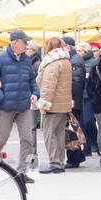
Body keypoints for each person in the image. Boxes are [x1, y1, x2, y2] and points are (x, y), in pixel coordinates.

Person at [0, 29, 38, 182]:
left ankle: (22, 172)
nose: (27, 45)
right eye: (25, 42)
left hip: (23, 106)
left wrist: (35, 92)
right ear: (15, 43)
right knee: (1, 139)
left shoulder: (26, 59)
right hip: (5, 107)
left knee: (28, 139)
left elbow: (32, 79)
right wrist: (0, 97)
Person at [35, 37, 74, 174]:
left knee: (49, 133)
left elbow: (48, 85)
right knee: (59, 134)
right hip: (64, 103)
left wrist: (43, 104)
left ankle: (55, 162)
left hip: (52, 103)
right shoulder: (66, 61)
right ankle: (60, 162)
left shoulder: (52, 62)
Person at [63, 37, 88, 168]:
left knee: (72, 131)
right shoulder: (73, 60)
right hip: (73, 101)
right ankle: (76, 156)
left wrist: (70, 100)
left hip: (73, 102)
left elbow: (76, 83)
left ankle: (74, 158)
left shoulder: (74, 61)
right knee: (71, 130)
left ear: (68, 47)